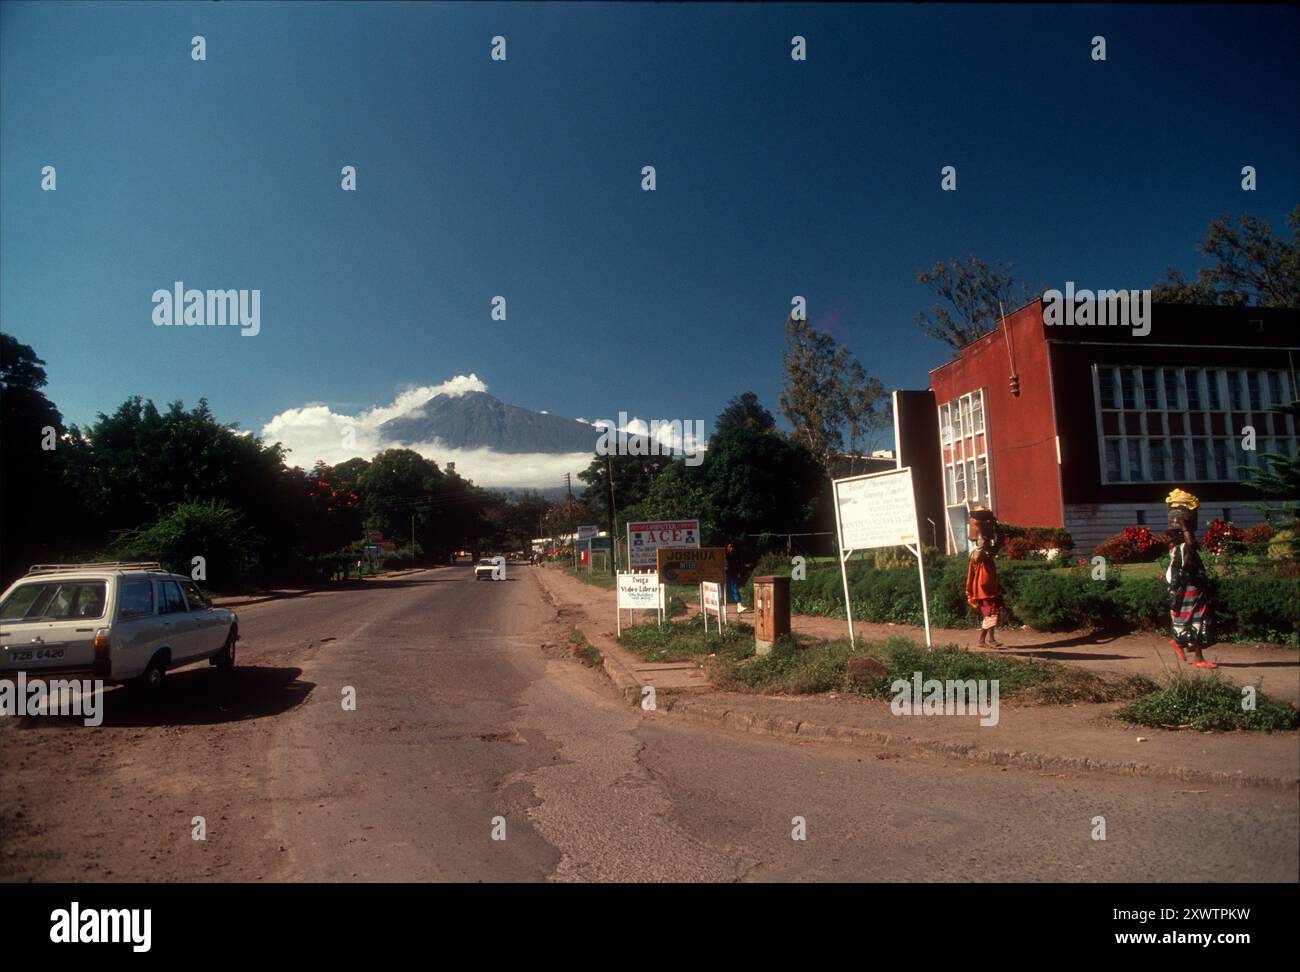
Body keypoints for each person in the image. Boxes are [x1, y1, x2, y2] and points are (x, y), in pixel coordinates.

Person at [1164, 489, 1217, 669]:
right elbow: (1192, 544)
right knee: (1196, 620)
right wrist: (1185, 525)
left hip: (1185, 588)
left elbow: (1187, 543)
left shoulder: (1176, 549)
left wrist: (1181, 527)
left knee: (1191, 620)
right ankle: (1192, 653)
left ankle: (1191, 652)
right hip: (1190, 588)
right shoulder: (1184, 549)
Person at [964, 506, 1004, 649]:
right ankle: (984, 641)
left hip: (990, 588)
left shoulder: (988, 554)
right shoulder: (977, 555)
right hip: (982, 590)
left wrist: (997, 528)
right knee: (990, 614)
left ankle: (989, 640)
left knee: (992, 614)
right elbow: (980, 550)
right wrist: (982, 533)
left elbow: (999, 543)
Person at [725, 542, 747, 613]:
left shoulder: (735, 555)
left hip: (733, 575)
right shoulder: (724, 555)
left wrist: (738, 573)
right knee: (724, 591)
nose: (731, 548)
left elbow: (737, 565)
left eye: (732, 547)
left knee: (735, 589)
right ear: (727, 548)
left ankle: (739, 607)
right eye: (729, 547)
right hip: (725, 575)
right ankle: (723, 608)